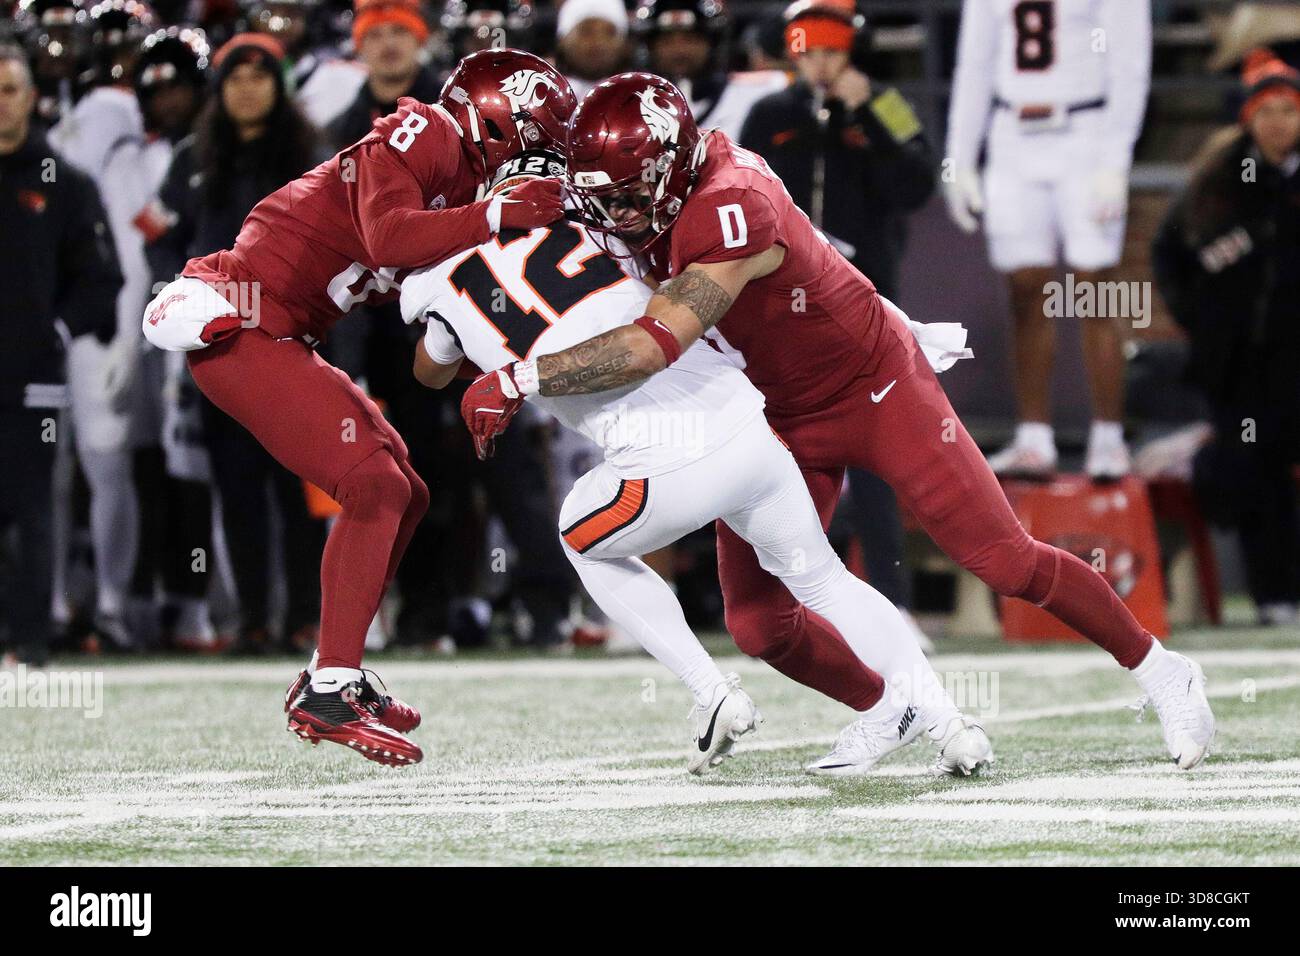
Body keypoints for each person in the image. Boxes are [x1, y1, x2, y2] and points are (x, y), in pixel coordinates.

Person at [470, 72, 1217, 772]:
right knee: (759, 623)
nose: (619, 213)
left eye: (632, 192)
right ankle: (887, 706)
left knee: (1003, 560)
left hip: (875, 388)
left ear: (672, 163)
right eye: (606, 196)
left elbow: (651, 345)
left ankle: (1161, 670)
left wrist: (520, 377)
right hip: (773, 413)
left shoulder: (729, 205)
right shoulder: (655, 188)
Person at [408, 149, 987, 776]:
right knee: (822, 579)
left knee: (578, 538)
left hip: (664, 465)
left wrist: (499, 360)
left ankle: (711, 692)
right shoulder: (596, 215)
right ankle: (948, 723)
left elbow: (431, 370)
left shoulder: (440, 274)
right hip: (747, 423)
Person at [141, 48, 572, 765]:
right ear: (498, 121)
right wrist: (494, 215)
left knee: (407, 490)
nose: (537, 159)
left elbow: (429, 330)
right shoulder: (424, 134)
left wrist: (501, 364)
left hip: (287, 333)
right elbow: (388, 236)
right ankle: (331, 685)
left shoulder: (464, 187)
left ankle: (334, 671)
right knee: (371, 484)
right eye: (535, 139)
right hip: (243, 321)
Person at [741, 0, 935, 648]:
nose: (821, 63)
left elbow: (918, 181)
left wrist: (867, 113)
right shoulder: (771, 114)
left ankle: (895, 605)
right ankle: (791, 603)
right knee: (781, 454)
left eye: (832, 50)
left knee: (878, 454)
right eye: (809, 50)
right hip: (781, 302)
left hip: (868, 299)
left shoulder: (885, 103)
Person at [147, 31, 327, 653]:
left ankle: (305, 617)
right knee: (237, 488)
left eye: (259, 75)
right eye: (234, 77)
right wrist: (175, 296)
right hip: (218, 351)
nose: (247, 88)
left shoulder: (312, 159)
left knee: (298, 488)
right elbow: (158, 240)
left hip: (295, 341)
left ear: (280, 85)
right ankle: (251, 618)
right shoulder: (192, 160)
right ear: (218, 91)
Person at [945, 0, 1152, 480]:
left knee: (1097, 286)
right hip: (1012, 132)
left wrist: (1115, 157)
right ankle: (1033, 437)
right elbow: (974, 63)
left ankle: (1108, 436)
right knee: (1025, 288)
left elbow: (1130, 60)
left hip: (1086, 129)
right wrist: (960, 156)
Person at [1152, 49, 1300, 626]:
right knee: (1257, 473)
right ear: (1249, 117)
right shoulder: (1219, 177)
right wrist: (1203, 321)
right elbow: (1172, 254)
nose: (1279, 123)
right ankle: (1275, 596)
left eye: (1290, 110)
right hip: (1240, 363)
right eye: (1268, 111)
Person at [0, 45, 122, 665]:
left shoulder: (63, 182)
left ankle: (28, 639)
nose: (1, 104)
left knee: (31, 507)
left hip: (33, 381)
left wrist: (57, 328)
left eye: (10, 89)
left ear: (31, 97)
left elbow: (103, 278)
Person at [635, 0, 787, 141]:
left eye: (690, 39)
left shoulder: (758, 91)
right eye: (666, 42)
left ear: (713, 43)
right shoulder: (631, 106)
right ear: (650, 48)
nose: (679, 50)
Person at [554, 0, 630, 100]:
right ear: (562, 40)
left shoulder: (639, 96)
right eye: (586, 31)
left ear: (625, 44)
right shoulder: (543, 95)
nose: (598, 42)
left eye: (609, 33)